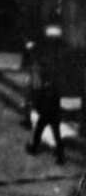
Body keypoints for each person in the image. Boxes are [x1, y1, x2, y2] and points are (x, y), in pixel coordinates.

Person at [26, 23, 68, 159]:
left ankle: (34, 147)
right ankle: (59, 152)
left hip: (48, 94)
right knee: (53, 125)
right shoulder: (61, 53)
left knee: (42, 123)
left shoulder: (48, 55)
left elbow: (41, 73)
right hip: (55, 94)